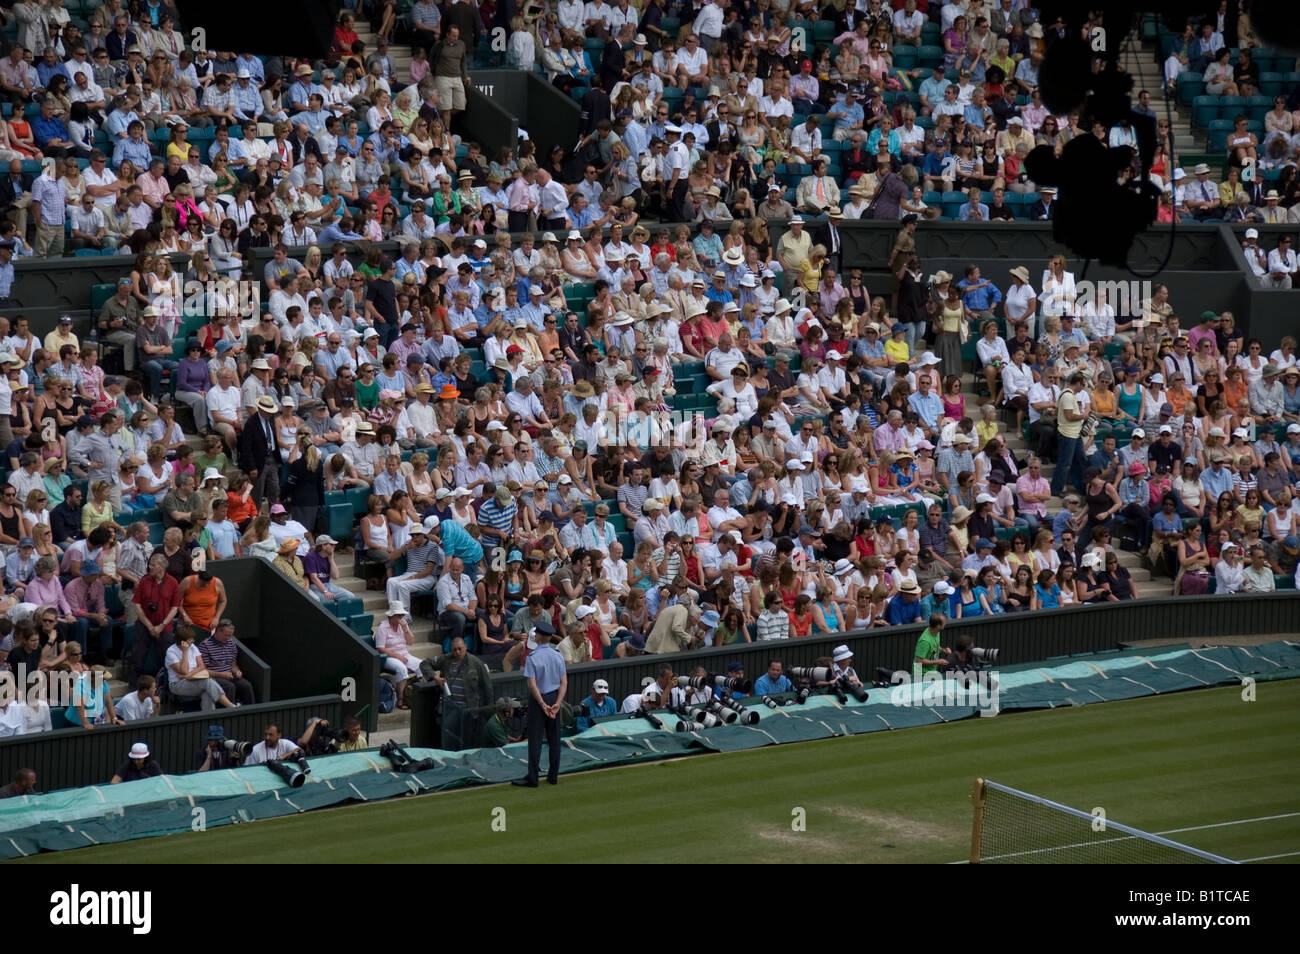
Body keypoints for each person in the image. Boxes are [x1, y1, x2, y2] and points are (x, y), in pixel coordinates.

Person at [514, 617, 567, 786]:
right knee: (554, 738)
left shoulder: (533, 657)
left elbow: (532, 685)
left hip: (540, 700)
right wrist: (557, 702)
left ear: (537, 636)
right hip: (553, 697)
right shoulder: (557, 655)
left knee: (535, 739)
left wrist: (542, 704)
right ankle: (553, 776)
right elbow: (563, 682)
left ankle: (533, 777)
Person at [428, 635, 493, 751]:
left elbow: (487, 687)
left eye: (460, 649)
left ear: (465, 647)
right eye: (454, 649)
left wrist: (486, 711)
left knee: (467, 740)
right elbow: (425, 664)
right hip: (450, 707)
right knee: (448, 735)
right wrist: (434, 677)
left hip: (468, 708)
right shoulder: (445, 659)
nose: (457, 652)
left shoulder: (475, 662)